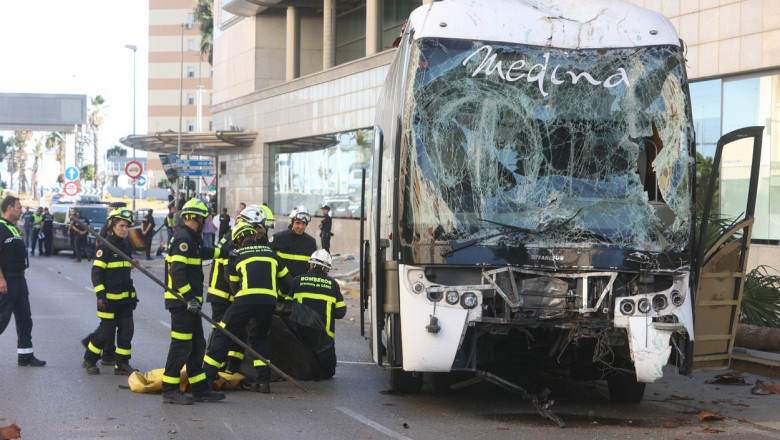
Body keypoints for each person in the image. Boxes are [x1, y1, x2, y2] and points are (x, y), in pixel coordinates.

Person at [203, 221, 292, 394]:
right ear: (254, 236)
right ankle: (263, 382)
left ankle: (206, 378)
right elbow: (288, 283)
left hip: (245, 299)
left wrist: (243, 305)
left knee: (223, 332)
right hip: (268, 302)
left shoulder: (235, 255)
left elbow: (234, 287)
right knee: (258, 338)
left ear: (239, 240)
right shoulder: (271, 253)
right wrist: (277, 298)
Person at [161, 198, 223, 405]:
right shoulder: (183, 239)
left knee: (197, 345)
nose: (205, 223)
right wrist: (189, 298)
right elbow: (177, 272)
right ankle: (169, 389)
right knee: (181, 346)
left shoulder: (191, 239)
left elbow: (201, 253)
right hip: (181, 303)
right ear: (194, 218)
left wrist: (225, 253)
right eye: (203, 219)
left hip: (190, 303)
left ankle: (200, 390)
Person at [82, 208, 139, 376]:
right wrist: (101, 296)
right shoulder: (105, 246)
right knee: (105, 332)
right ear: (112, 226)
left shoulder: (124, 245)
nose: (124, 229)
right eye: (121, 226)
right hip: (109, 300)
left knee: (127, 331)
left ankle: (121, 364)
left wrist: (130, 264)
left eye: (126, 226)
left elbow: (120, 269)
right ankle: (89, 359)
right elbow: (96, 273)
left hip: (125, 299)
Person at [0, 196, 45, 367]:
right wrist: (1, 279)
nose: (21, 210)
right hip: (7, 279)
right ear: (10, 208)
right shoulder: (0, 227)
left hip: (19, 278)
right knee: (2, 319)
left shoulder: (14, 228)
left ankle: (25, 355)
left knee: (25, 318)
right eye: (19, 207)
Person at [290, 249, 345, 378]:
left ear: (310, 265)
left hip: (299, 338)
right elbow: (340, 312)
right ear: (327, 269)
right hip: (324, 340)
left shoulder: (297, 281)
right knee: (327, 373)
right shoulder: (333, 285)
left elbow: (286, 307)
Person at [270, 205, 317, 279]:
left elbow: (312, 267)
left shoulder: (311, 242)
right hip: (281, 285)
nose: (300, 227)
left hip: (300, 286)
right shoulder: (278, 239)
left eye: (303, 223)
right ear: (292, 222)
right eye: (298, 223)